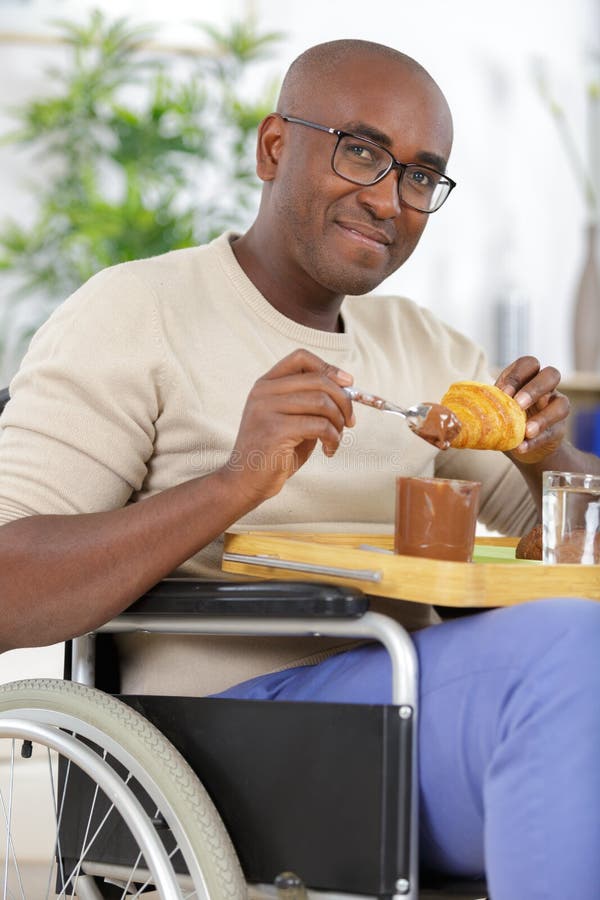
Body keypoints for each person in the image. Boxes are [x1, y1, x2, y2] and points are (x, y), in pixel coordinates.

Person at [0, 38, 599, 898]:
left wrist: (554, 459)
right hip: (230, 744)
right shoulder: (136, 312)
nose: (389, 198)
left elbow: (547, 556)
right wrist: (233, 483)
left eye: (421, 176)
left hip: (412, 718)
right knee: (570, 657)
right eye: (361, 151)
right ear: (274, 147)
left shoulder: (427, 348)